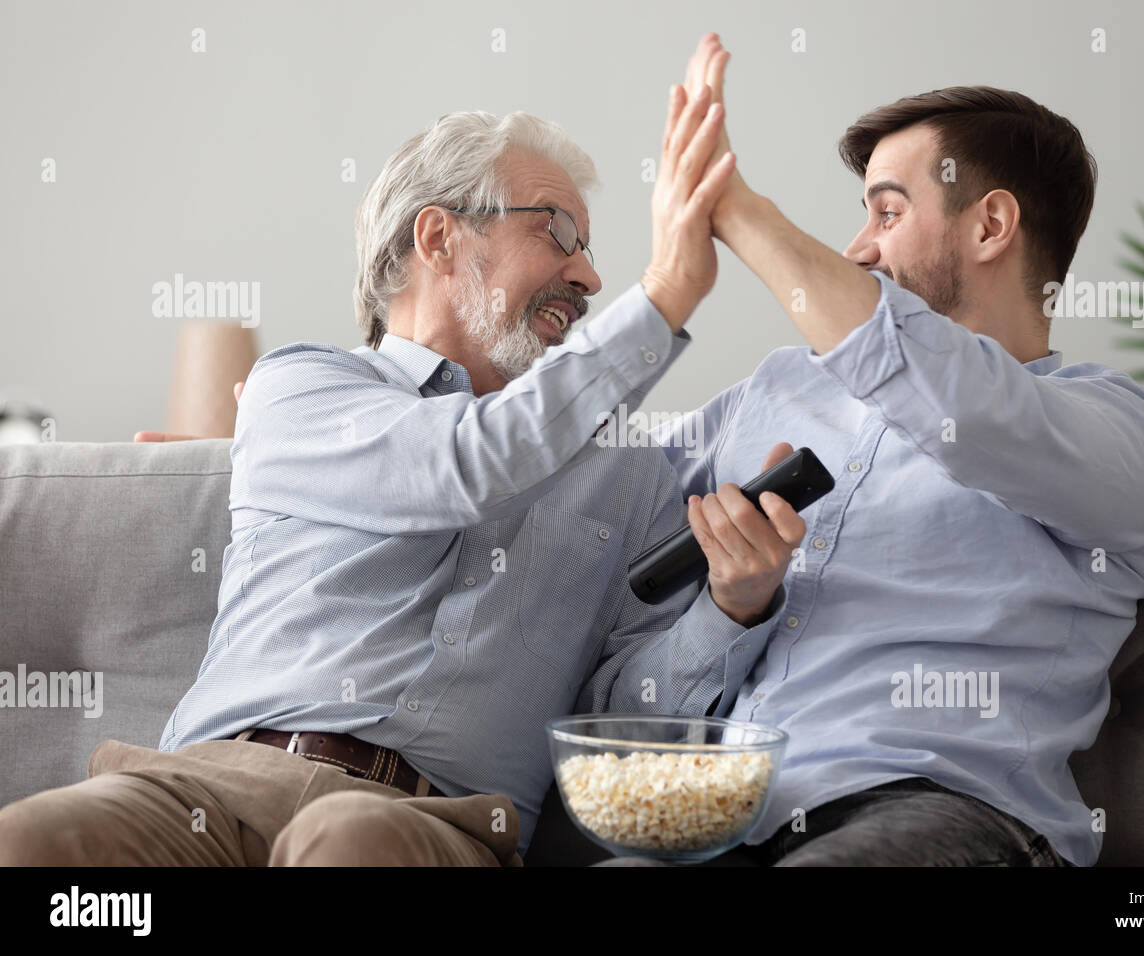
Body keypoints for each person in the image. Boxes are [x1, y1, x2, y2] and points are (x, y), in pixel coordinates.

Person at [0, 87, 807, 866]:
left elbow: (622, 720)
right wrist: (665, 294)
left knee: (351, 844)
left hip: (435, 823)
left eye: (591, 251)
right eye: (560, 233)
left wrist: (733, 611)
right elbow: (467, 462)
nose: (591, 278)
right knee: (32, 841)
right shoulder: (301, 389)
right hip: (204, 790)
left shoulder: (626, 472)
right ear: (438, 237)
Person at [597, 34, 1144, 867]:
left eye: (887, 211)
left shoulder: (1119, 434)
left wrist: (737, 211)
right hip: (726, 815)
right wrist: (730, 609)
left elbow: (967, 403)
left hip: (949, 819)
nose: (858, 247)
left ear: (990, 224)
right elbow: (617, 674)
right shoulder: (775, 393)